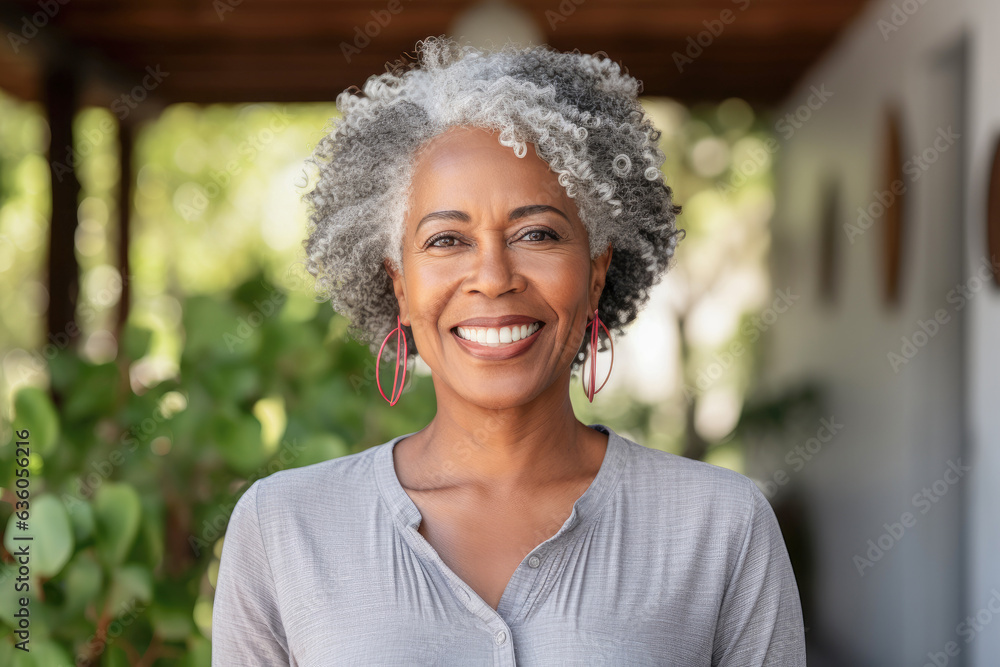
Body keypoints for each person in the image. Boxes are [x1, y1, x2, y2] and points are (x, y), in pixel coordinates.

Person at [211, 35, 806, 665]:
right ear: (399, 285)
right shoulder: (284, 529)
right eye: (446, 240)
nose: (493, 277)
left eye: (537, 233)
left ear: (597, 272)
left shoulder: (720, 527)